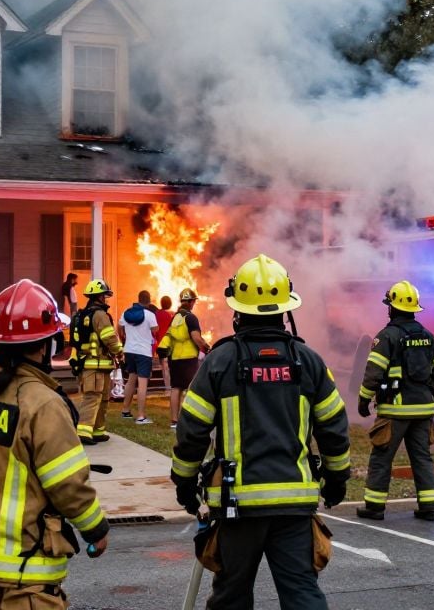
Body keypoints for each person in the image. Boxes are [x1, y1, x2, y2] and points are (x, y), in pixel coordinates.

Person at [171, 254, 351, 610]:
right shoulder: (308, 360)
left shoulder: (220, 362)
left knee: (231, 597)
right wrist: (337, 477)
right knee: (302, 594)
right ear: (285, 308)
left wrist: (184, 482)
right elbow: (333, 427)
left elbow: (191, 432)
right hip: (294, 505)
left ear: (237, 309)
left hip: (238, 507)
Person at [0, 279, 109, 609]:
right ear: (43, 346)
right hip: (25, 563)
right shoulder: (44, 404)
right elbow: (68, 485)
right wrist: (96, 529)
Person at [356, 280, 434, 522]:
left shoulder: (387, 337)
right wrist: (429, 391)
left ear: (392, 308)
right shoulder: (428, 337)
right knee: (422, 457)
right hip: (424, 410)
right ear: (415, 309)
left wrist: (364, 401)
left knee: (382, 457)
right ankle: (428, 507)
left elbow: (373, 372)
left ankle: (374, 507)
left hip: (395, 411)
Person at [68, 278, 124, 444]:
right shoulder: (99, 315)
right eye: (104, 296)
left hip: (99, 365)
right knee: (92, 398)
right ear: (99, 297)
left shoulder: (81, 315)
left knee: (103, 399)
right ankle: (84, 433)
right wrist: (119, 352)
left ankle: (98, 431)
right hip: (94, 365)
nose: (105, 299)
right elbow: (109, 337)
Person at [160, 287, 211, 429]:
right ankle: (190, 419)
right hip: (188, 359)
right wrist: (207, 348)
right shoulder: (190, 317)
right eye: (193, 301)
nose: (194, 304)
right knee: (191, 390)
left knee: (176, 388)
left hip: (174, 358)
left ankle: (174, 421)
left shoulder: (176, 317)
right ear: (190, 302)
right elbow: (196, 338)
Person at [119, 290, 159, 423]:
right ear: (149, 300)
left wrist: (124, 339)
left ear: (138, 298)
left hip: (129, 350)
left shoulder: (126, 313)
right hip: (143, 352)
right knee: (142, 383)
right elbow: (155, 330)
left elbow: (119, 327)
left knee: (131, 379)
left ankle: (125, 410)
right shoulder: (149, 315)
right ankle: (141, 416)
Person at [153, 294, 175, 393]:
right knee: (172, 367)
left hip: (161, 345)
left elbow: (155, 331)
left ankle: (167, 388)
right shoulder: (172, 315)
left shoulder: (156, 314)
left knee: (164, 367)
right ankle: (174, 387)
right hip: (172, 344)